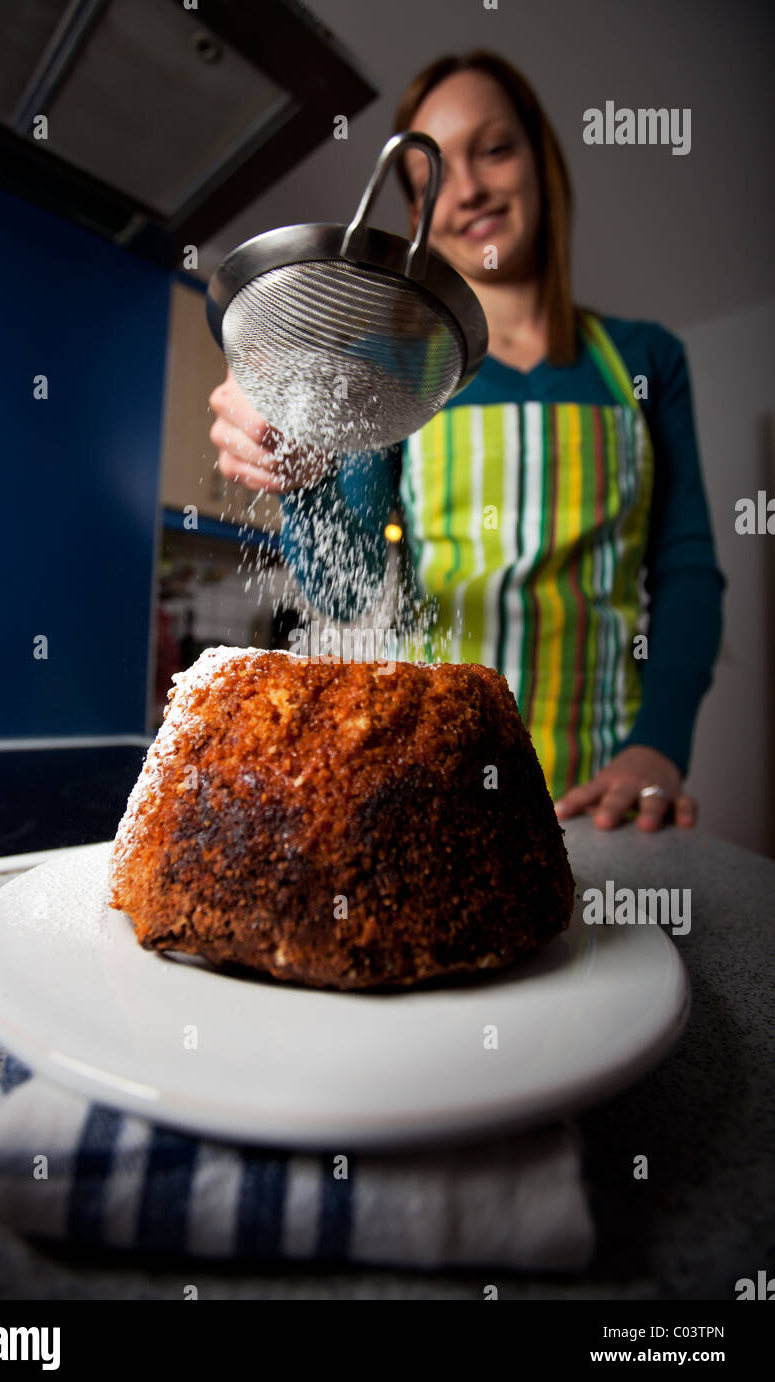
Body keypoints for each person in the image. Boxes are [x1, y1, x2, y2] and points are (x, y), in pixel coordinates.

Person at [208, 50, 725, 834]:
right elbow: (342, 590)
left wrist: (661, 746)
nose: (473, 188)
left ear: (541, 162)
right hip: (437, 783)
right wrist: (302, 470)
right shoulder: (391, 374)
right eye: (437, 176)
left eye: (496, 148)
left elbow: (686, 571)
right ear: (418, 212)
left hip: (603, 796)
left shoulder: (646, 361)